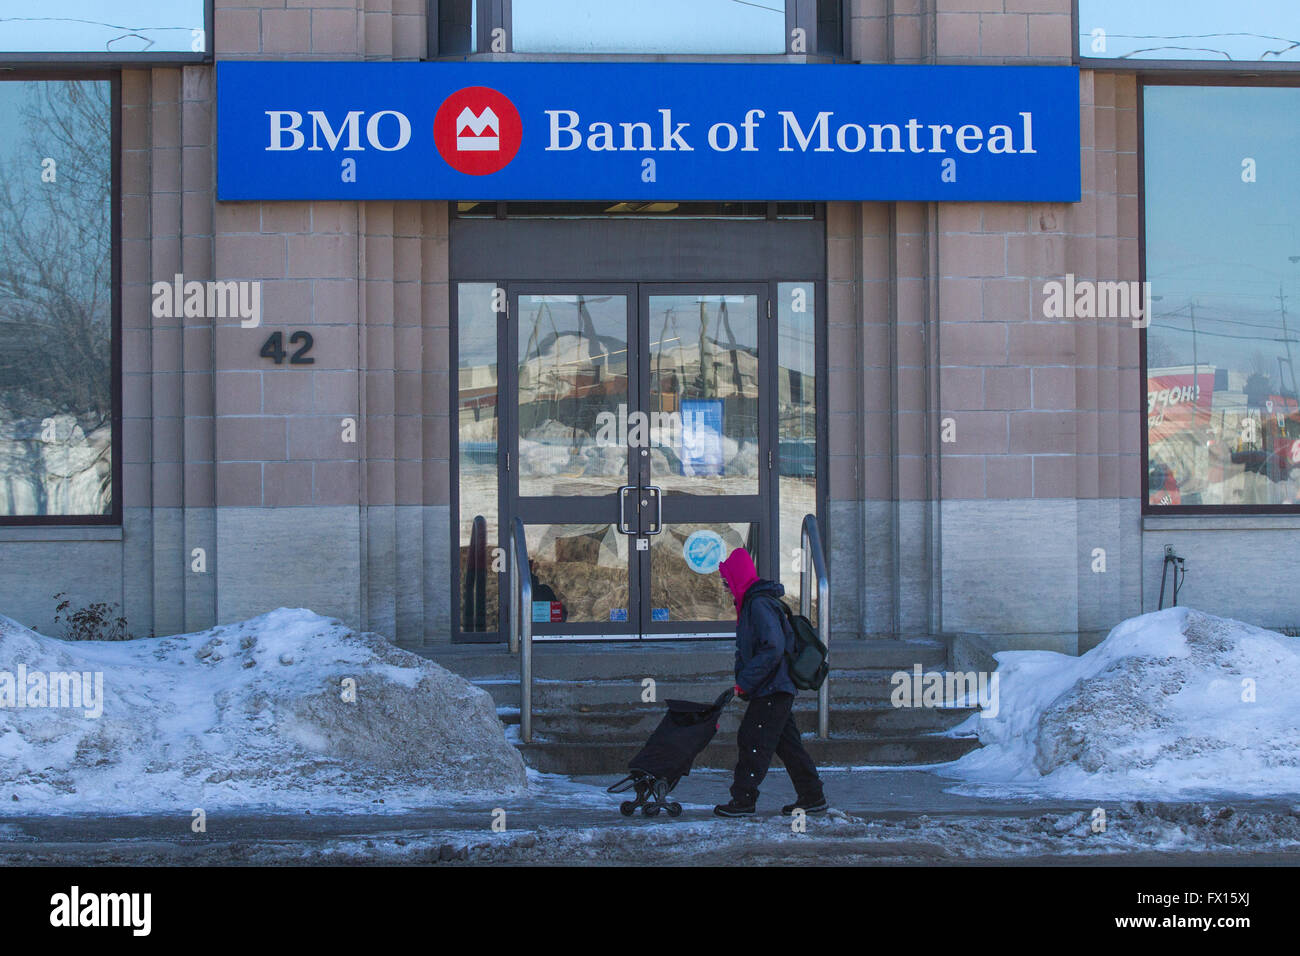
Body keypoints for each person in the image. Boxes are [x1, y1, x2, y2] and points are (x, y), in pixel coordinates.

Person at [714, 547, 826, 818]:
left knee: (753, 740)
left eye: (728, 581)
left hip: (772, 688)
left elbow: (773, 648)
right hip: (775, 686)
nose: (726, 587)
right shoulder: (753, 603)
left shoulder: (758, 605)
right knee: (787, 745)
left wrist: (746, 681)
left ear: (738, 578)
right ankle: (812, 796)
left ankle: (743, 800)